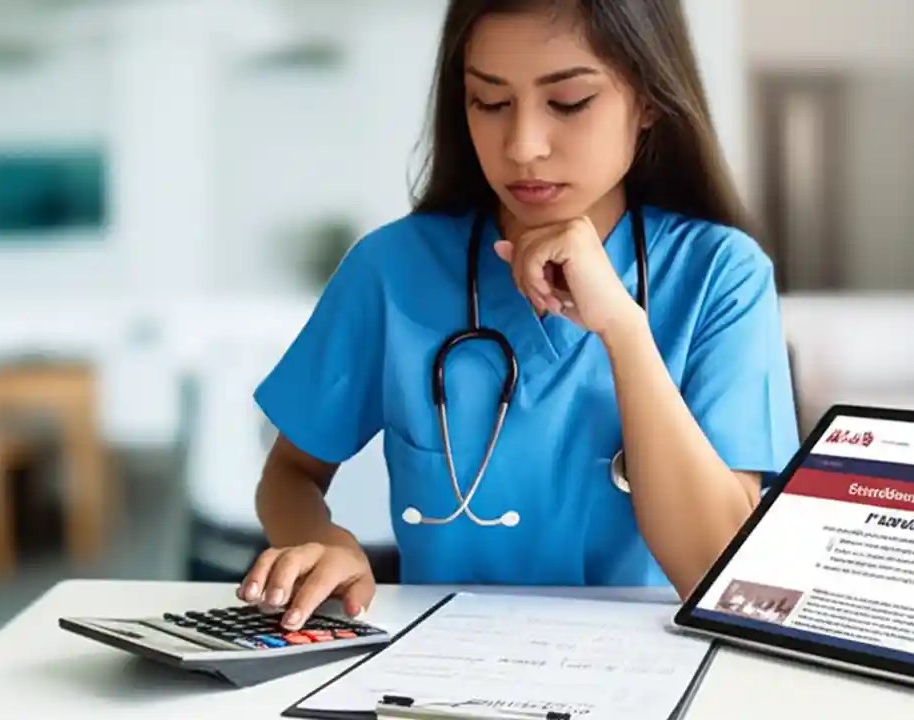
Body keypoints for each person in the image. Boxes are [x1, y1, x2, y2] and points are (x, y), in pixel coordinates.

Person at [239, 0, 799, 632]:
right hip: (437, 670)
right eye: (490, 102)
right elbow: (290, 474)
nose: (523, 146)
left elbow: (714, 570)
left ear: (648, 101)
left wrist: (622, 328)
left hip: (645, 674)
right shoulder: (392, 271)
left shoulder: (722, 276)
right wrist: (324, 542)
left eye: (568, 102)